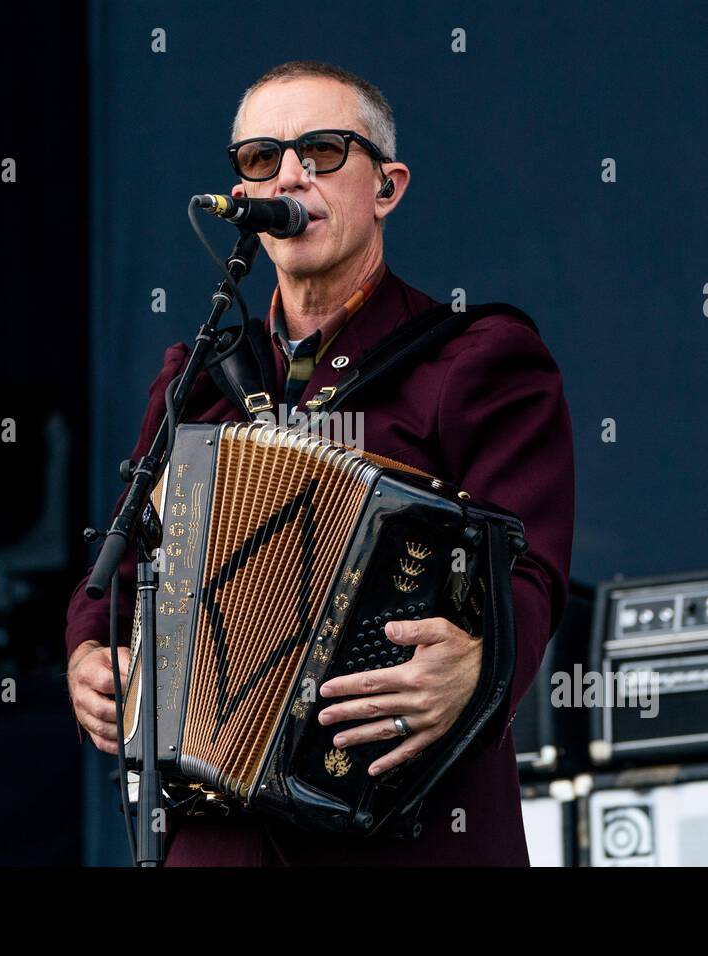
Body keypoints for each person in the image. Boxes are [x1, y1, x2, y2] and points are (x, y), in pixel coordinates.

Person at [66, 60, 574, 865]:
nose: (291, 174)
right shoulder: (199, 378)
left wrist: (479, 665)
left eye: (325, 150)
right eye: (261, 158)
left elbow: (532, 570)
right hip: (219, 833)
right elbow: (123, 564)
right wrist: (90, 654)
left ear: (388, 186)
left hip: (405, 818)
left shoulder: (475, 358)